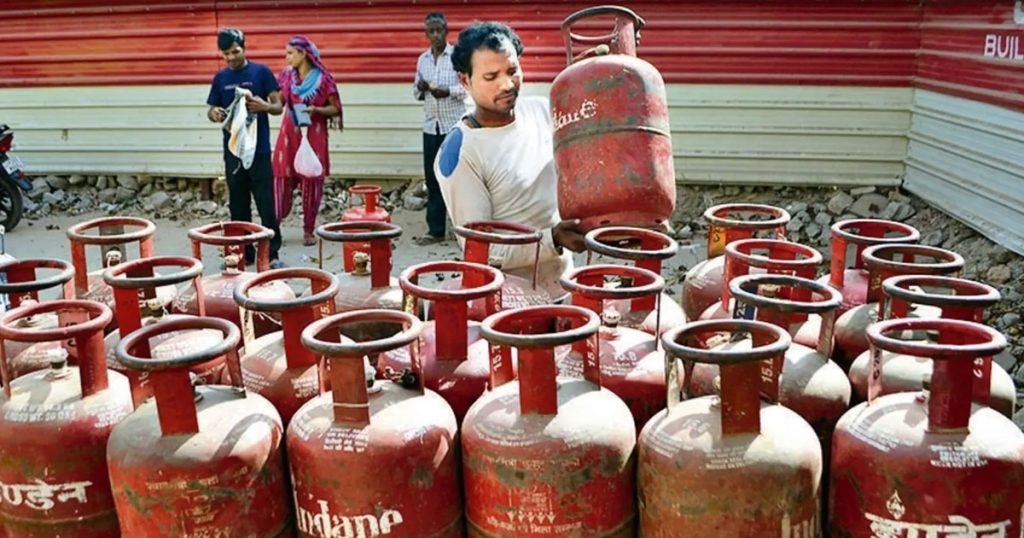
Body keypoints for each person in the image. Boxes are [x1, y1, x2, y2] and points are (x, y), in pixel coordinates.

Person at [436, 21, 585, 299]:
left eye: (512, 71)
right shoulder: (461, 151)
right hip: (505, 304)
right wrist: (552, 238)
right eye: (491, 77)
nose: (506, 84)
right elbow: (481, 249)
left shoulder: (543, 111)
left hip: (564, 287)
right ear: (464, 80)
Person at [206, 28, 286, 268]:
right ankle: (243, 253)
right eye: (226, 54)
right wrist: (215, 114)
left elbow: (278, 105)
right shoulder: (220, 78)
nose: (231, 57)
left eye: (235, 51)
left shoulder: (261, 72)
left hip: (258, 150)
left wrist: (263, 106)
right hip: (233, 152)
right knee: (238, 204)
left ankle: (272, 254)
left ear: (244, 48)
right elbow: (210, 109)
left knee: (265, 203)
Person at [272, 35, 343, 246]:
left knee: (311, 181)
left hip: (314, 135)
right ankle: (274, 229)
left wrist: (317, 110)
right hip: (288, 137)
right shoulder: (286, 76)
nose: (287, 58)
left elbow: (335, 107)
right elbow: (279, 102)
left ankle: (308, 230)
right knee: (280, 180)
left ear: (303, 54)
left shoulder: (324, 79)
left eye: (290, 53)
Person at [413, 12, 467, 246]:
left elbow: (466, 88)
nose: (436, 35)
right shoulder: (423, 59)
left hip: (453, 127)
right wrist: (421, 88)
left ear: (447, 31)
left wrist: (446, 91)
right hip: (431, 126)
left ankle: (463, 231)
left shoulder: (457, 56)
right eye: (431, 31)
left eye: (439, 30)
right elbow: (415, 92)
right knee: (433, 179)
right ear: (426, 34)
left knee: (456, 178)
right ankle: (435, 231)